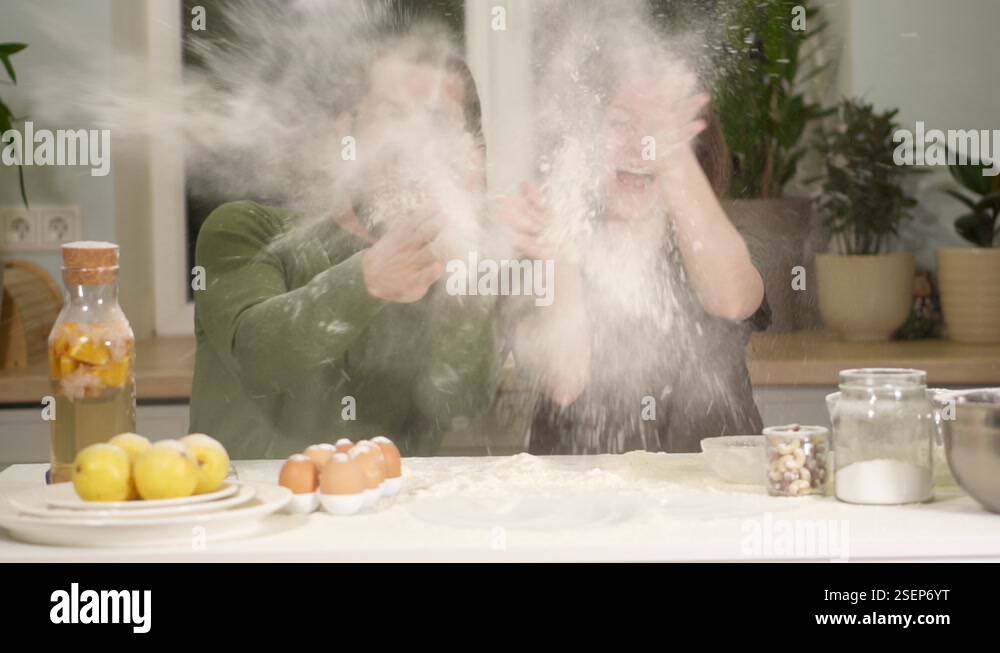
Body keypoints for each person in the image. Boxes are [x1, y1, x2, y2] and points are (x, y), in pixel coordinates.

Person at [190, 23, 496, 459]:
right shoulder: (246, 230)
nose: (413, 141)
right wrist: (368, 279)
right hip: (248, 518)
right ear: (347, 130)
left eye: (437, 122)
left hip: (387, 521)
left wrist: (466, 265)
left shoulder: (448, 268)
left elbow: (461, 404)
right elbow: (257, 359)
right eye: (394, 114)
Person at [498, 37, 770, 454]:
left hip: (716, 501)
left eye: (660, 128)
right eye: (621, 122)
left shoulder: (710, 237)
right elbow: (563, 380)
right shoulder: (538, 249)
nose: (643, 145)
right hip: (582, 505)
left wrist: (673, 156)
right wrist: (562, 255)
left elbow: (734, 300)